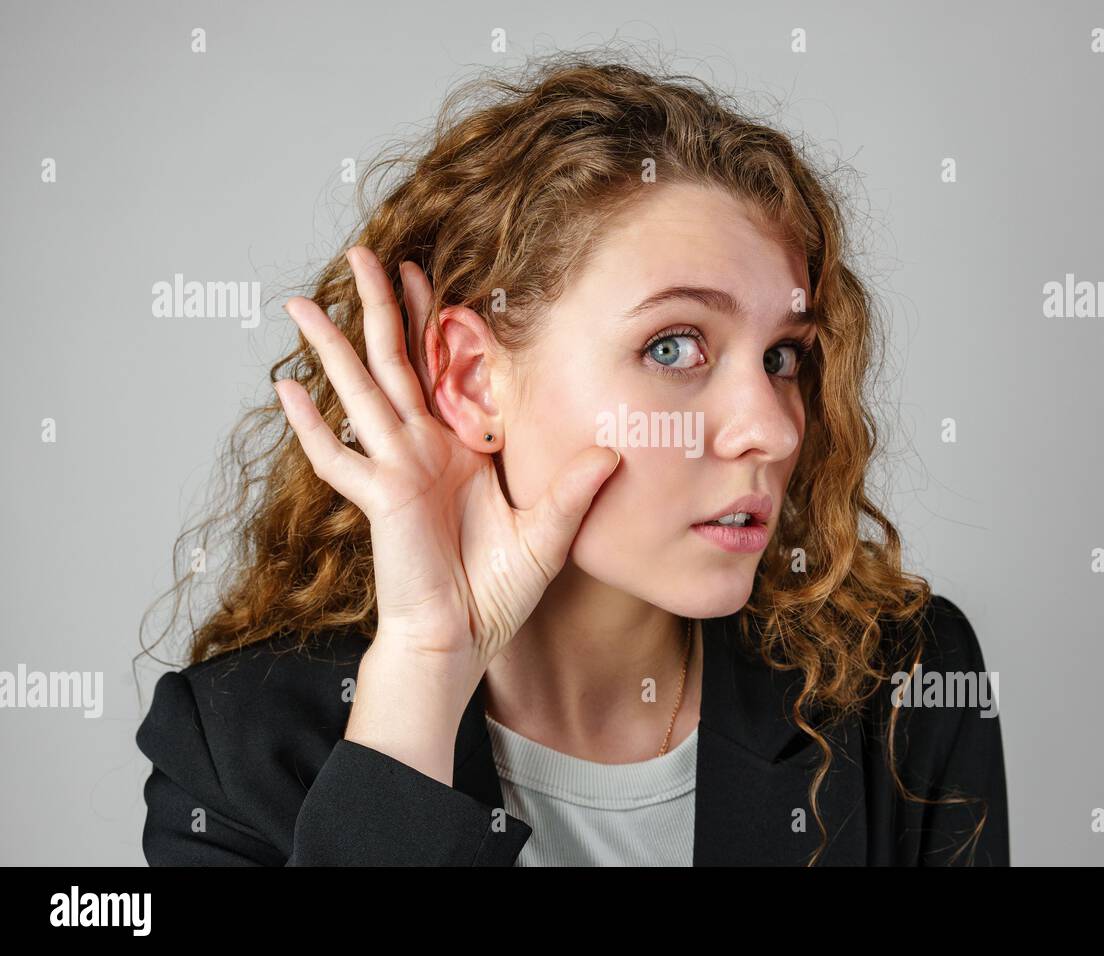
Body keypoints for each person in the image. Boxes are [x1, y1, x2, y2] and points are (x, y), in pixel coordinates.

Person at [135, 52, 1009, 866]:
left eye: (782, 356)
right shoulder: (240, 749)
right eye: (674, 347)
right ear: (476, 381)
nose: (773, 431)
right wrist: (428, 666)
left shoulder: (899, 686)